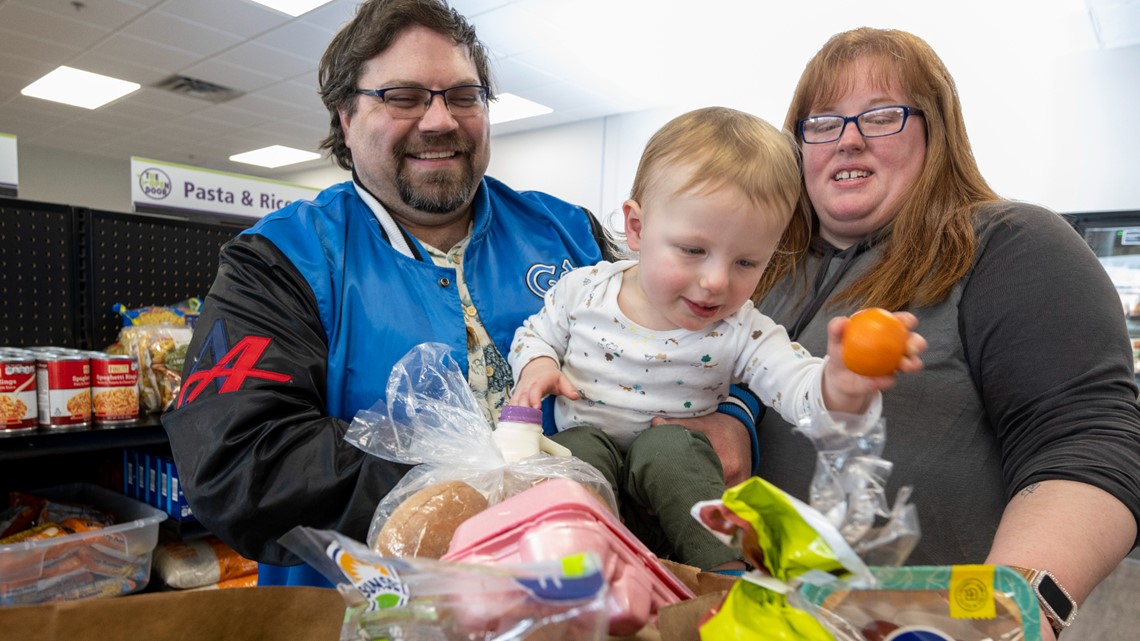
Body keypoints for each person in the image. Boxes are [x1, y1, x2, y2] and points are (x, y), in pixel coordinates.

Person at [161, 0, 762, 588]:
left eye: (463, 95)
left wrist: (736, 413)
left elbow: (705, 325)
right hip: (370, 615)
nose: (441, 119)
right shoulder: (281, 260)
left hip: (578, 600)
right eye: (403, 97)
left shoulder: (570, 235)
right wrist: (480, 493)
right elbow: (241, 462)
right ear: (345, 116)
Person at [750, 27, 1140, 639]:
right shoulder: (756, 262)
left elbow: (1087, 444)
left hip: (912, 626)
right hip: (731, 611)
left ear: (936, 130)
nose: (848, 139)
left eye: (881, 116)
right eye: (823, 122)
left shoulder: (1008, 244)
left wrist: (1002, 614)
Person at [507, 106, 925, 571]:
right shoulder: (583, 291)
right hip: (595, 485)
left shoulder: (740, 329)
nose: (716, 282)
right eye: (693, 251)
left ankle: (724, 575)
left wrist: (839, 382)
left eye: (747, 263)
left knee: (669, 448)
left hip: (679, 499)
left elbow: (796, 385)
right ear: (637, 228)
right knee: (577, 449)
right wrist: (538, 364)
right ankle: (576, 570)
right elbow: (534, 335)